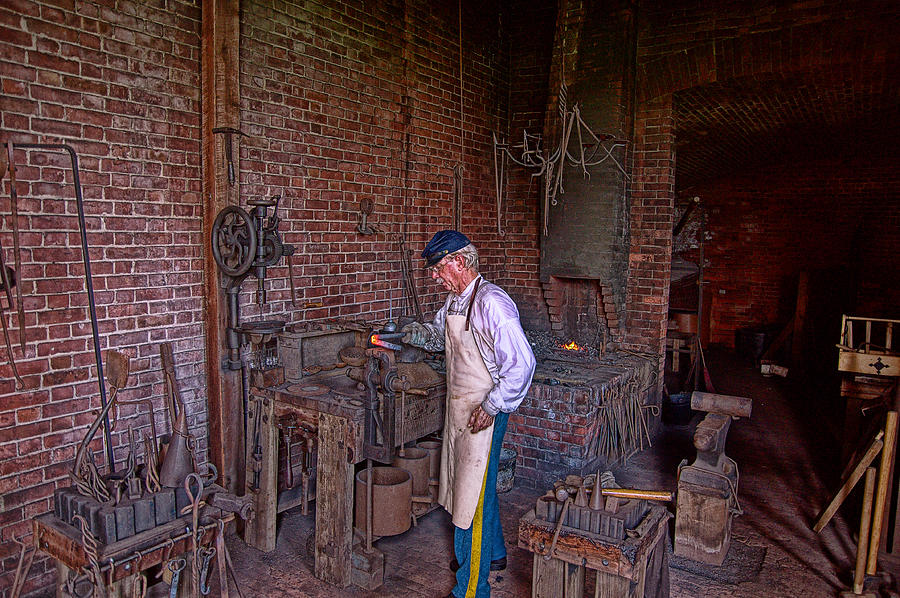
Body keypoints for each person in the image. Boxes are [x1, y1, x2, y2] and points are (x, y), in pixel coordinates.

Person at [402, 230, 535, 598]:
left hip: (484, 411)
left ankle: (471, 589)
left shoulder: (492, 303)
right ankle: (493, 554)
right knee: (475, 486)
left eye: (438, 268)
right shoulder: (455, 301)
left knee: (469, 498)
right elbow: (437, 335)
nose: (434, 276)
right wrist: (410, 334)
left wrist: (492, 406)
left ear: (459, 262)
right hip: (461, 409)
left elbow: (522, 366)